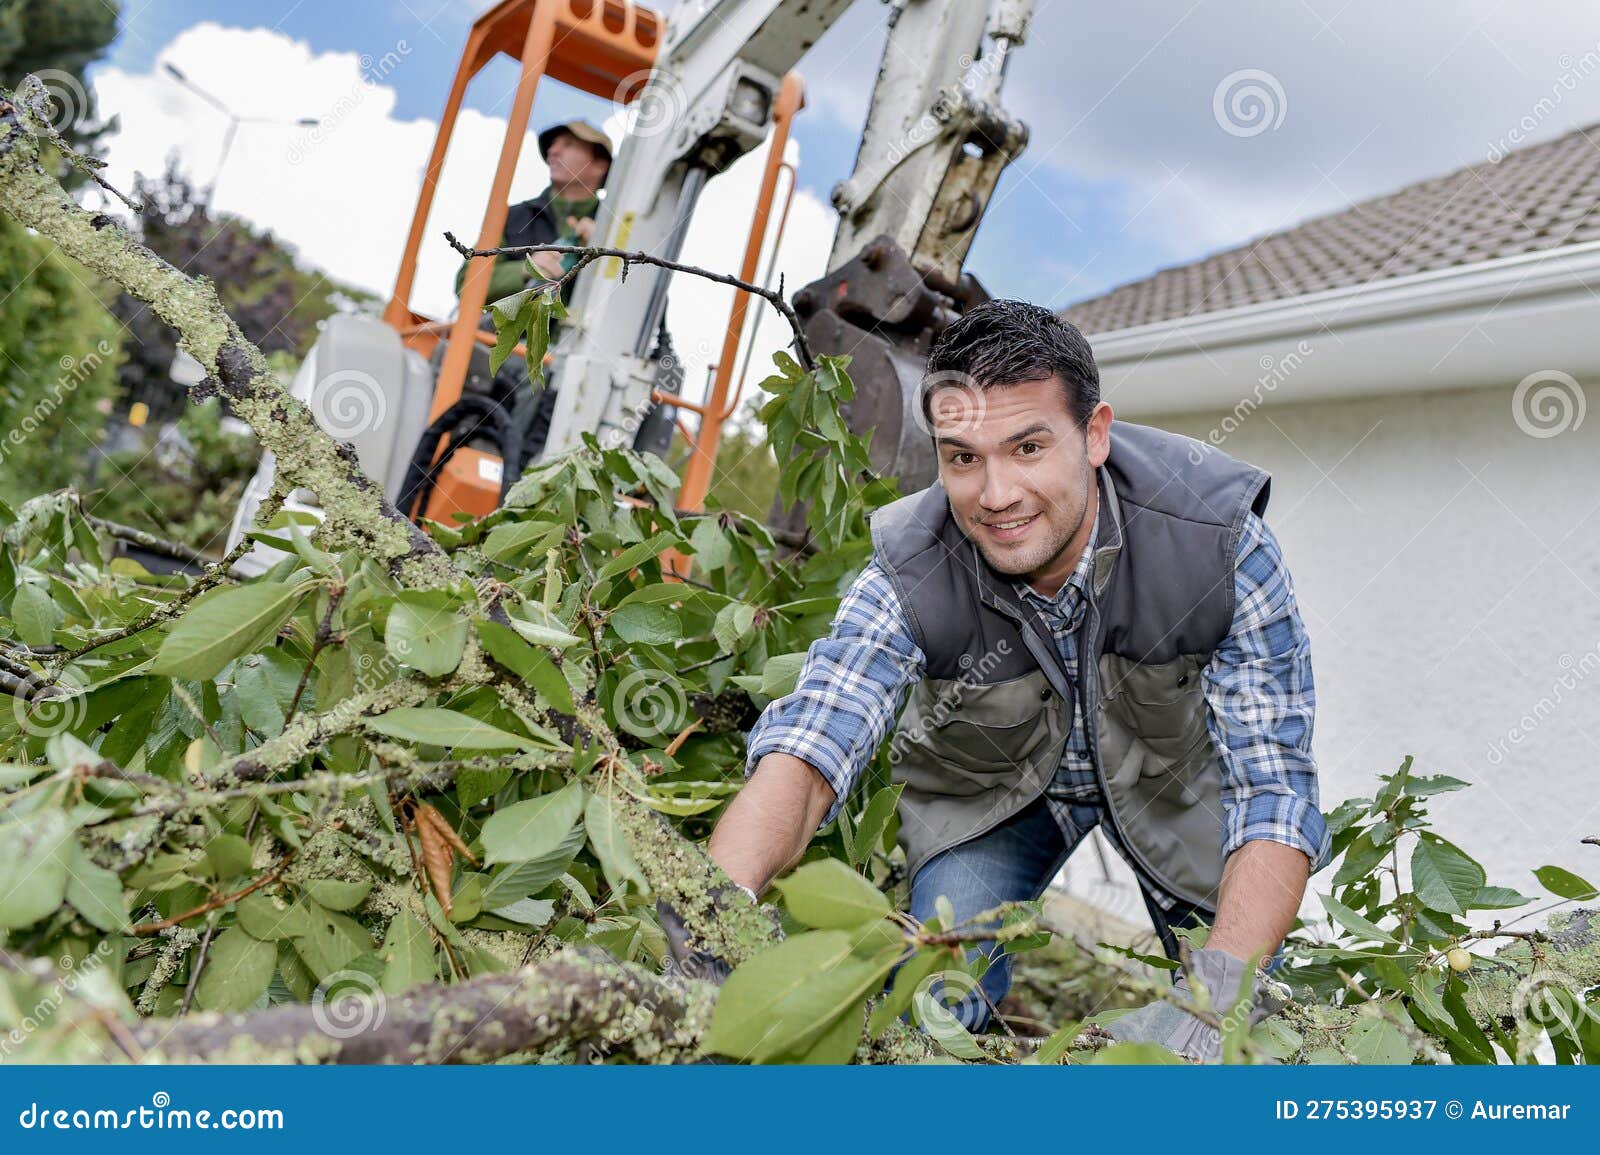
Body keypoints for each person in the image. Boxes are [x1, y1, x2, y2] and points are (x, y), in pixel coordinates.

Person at [666, 299, 1333, 1062]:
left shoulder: (1219, 546)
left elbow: (1274, 793)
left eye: (1026, 447)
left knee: (1242, 1025)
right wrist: (707, 914)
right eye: (963, 457)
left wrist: (1211, 1019)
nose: (995, 495)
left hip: (1169, 790)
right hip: (997, 793)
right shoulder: (913, 563)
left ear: (1095, 436)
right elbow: (816, 741)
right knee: (934, 1004)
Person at [454, 118, 613, 307]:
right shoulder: (513, 216)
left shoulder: (614, 225)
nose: (552, 152)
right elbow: (467, 284)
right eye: (553, 146)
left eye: (569, 144)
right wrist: (525, 270)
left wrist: (603, 249)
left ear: (599, 166)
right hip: (506, 336)